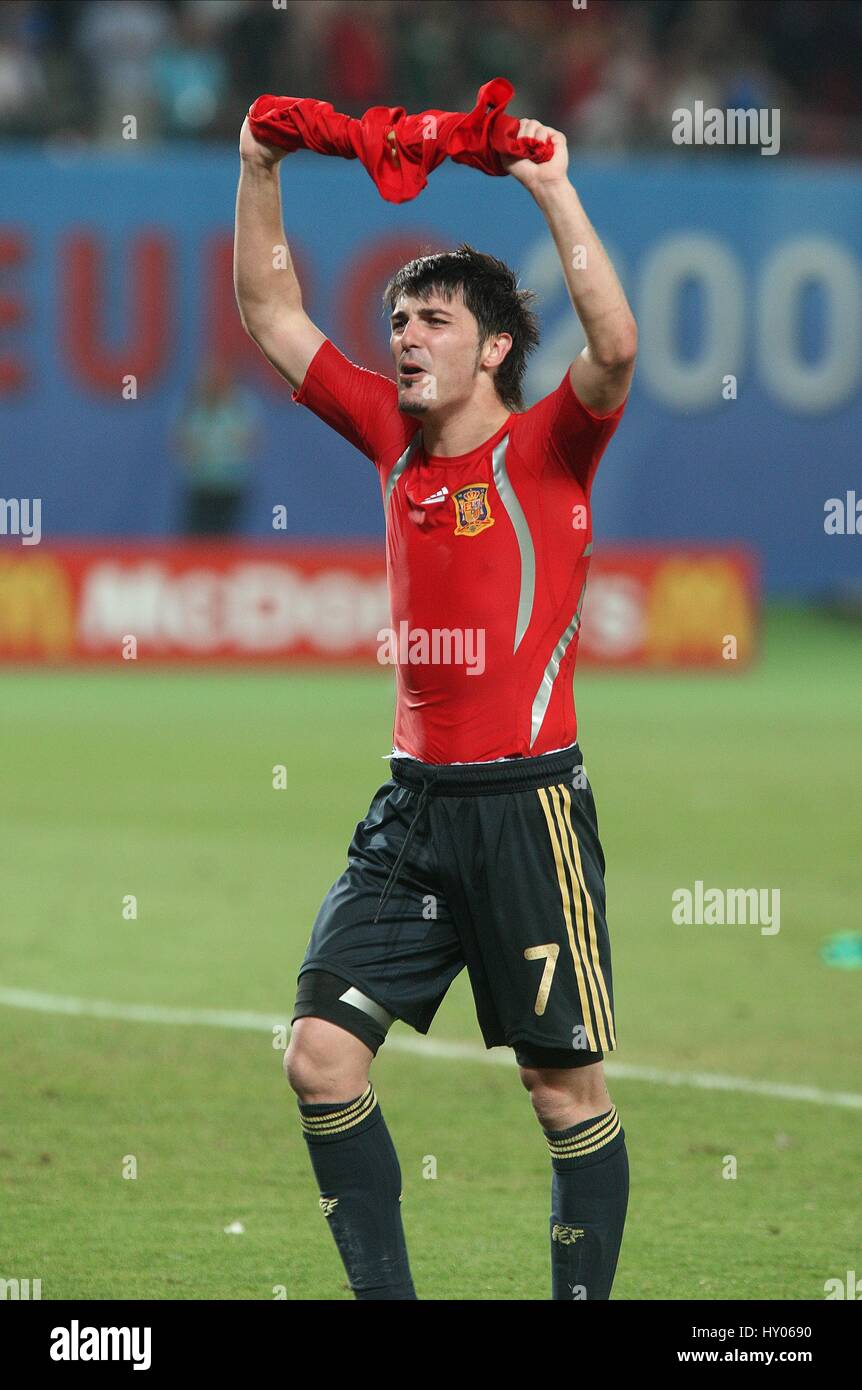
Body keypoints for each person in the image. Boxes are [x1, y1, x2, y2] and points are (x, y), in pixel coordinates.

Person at [234, 108, 636, 1300]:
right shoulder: (388, 440)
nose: (405, 338)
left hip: (527, 815)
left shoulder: (553, 449)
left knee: (560, 1091)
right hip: (410, 814)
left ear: (498, 348)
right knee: (318, 1057)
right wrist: (258, 166)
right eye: (397, 321)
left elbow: (612, 346)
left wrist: (549, 186)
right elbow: (269, 311)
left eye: (433, 321)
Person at [175, 358, 260, 535]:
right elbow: (180, 443)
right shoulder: (194, 409)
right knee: (198, 535)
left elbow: (253, 441)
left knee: (225, 536)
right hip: (201, 484)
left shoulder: (239, 407)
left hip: (230, 484)